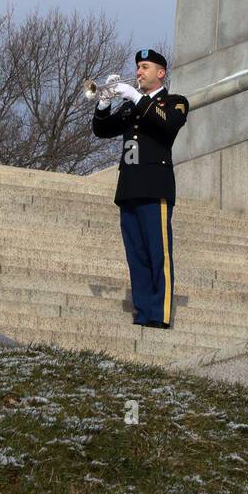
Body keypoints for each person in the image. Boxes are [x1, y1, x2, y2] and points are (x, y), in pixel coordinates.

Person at [91, 48, 189, 329]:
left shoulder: (175, 102)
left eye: (145, 67)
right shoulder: (132, 106)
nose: (138, 72)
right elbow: (103, 130)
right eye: (138, 67)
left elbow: (167, 125)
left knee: (158, 253)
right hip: (129, 186)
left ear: (161, 73)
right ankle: (143, 311)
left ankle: (160, 313)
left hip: (155, 185)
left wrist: (136, 98)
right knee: (136, 254)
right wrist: (103, 104)